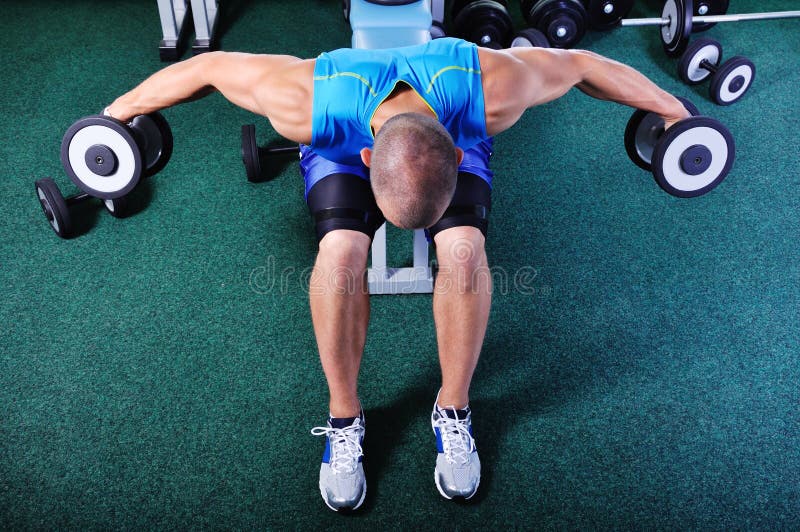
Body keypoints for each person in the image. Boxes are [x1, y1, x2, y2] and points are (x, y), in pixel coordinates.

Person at [106, 37, 690, 511]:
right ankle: (344, 414)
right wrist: (118, 115)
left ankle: (453, 408)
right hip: (339, 138)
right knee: (339, 257)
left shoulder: (494, 90)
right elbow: (207, 66)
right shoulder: (303, 102)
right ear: (367, 161)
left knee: (462, 252)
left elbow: (585, 64)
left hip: (447, 126)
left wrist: (673, 111)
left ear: (459, 160)